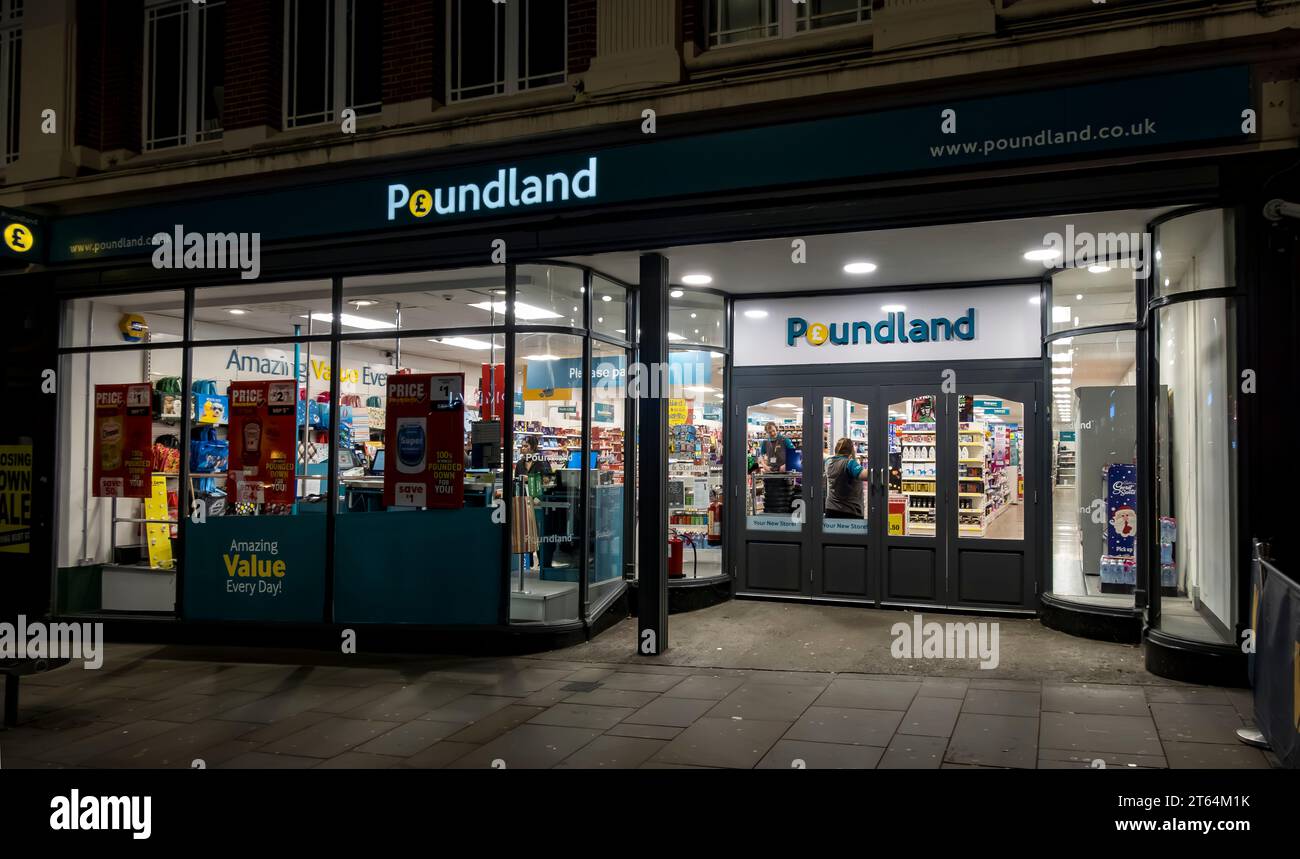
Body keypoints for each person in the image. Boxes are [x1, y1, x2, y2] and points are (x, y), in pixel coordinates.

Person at [824, 437, 868, 519]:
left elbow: (824, 455)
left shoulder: (828, 462)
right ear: (852, 450)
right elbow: (864, 475)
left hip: (831, 509)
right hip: (850, 511)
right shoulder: (850, 463)